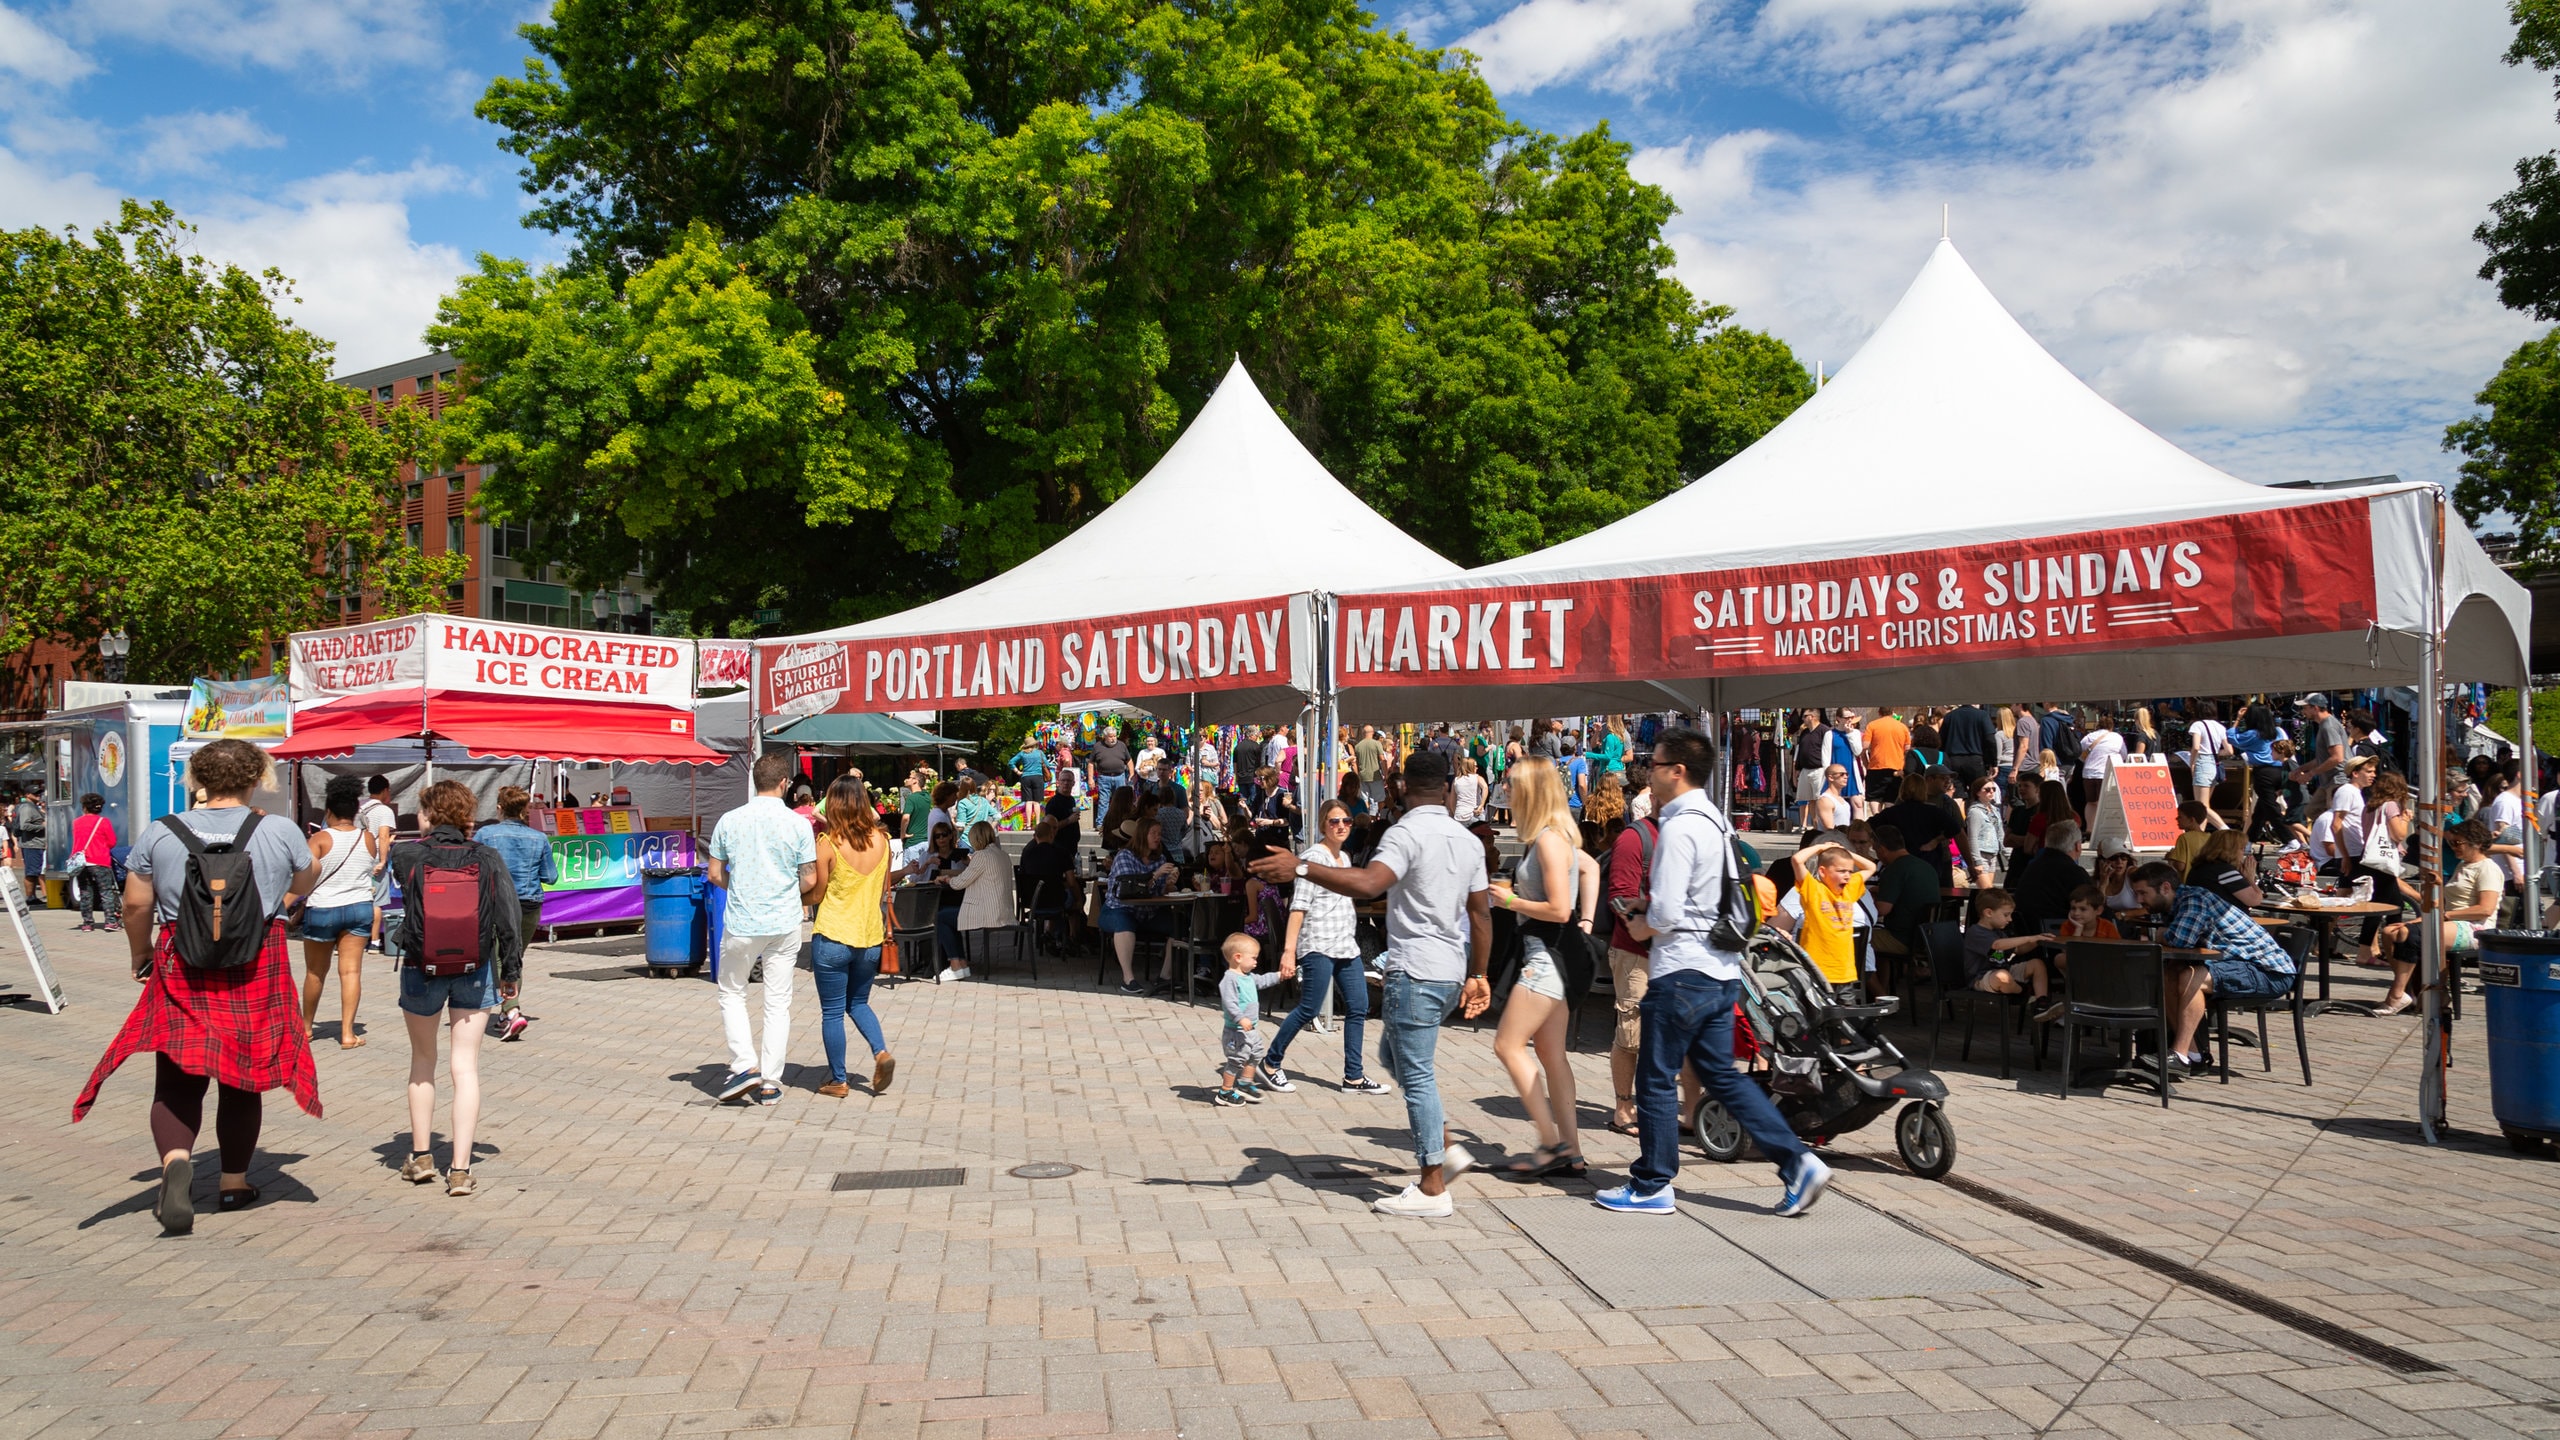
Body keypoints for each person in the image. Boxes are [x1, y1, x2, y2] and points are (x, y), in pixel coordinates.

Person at [76, 739, 320, 1235]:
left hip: (181, 961)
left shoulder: (161, 833)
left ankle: (175, 1163)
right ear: (258, 778)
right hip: (258, 963)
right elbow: (307, 879)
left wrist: (139, 953)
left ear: (197, 779)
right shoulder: (278, 829)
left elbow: (135, 905)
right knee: (242, 1077)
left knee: (177, 1078)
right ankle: (233, 1182)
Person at [1592, 727, 1827, 1218]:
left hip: (1681, 973)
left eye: (1654, 765)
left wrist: (1640, 918)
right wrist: (1652, 904)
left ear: (1676, 771)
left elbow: (1669, 912)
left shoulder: (1678, 827)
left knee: (1655, 1079)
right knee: (1723, 1076)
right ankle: (1797, 1160)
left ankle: (1652, 1183)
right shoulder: (1715, 820)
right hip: (1719, 971)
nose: (1647, 773)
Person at [1249, 750, 1491, 1219]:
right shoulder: (1466, 840)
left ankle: (1433, 1186)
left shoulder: (1404, 833)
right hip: (1449, 971)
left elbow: (1368, 884)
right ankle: (1444, 1146)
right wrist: (1479, 974)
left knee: (1416, 1073)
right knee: (1393, 1056)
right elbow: (1480, 914)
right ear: (1446, 789)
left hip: (1416, 971)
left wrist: (1302, 867)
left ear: (1401, 790)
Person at [385, 780, 524, 1198]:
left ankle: (422, 1157)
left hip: (420, 966)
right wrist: (511, 971)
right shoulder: (487, 857)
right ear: (468, 815)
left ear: (428, 814)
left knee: (422, 1061)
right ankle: (461, 1169)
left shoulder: (406, 854)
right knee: (465, 1068)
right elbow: (508, 918)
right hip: (475, 967)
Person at [1486, 759, 1590, 1179]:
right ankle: (1573, 1152)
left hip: (1547, 957)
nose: (1505, 791)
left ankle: (1551, 1144)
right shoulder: (1548, 837)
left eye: (1511, 785)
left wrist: (1511, 902)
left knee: (1508, 1045)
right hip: (1552, 957)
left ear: (1531, 790)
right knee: (1551, 1054)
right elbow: (1590, 869)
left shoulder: (1548, 840)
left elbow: (1560, 909)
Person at [706, 753, 820, 1105]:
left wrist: (741, 887)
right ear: (785, 784)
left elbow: (714, 873)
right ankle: (771, 1080)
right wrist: (783, 890)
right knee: (777, 1001)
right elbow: (810, 878)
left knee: (732, 991)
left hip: (742, 920)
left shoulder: (729, 820)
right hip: (784, 922)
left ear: (755, 781)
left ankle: (744, 1064)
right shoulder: (799, 825)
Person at [1265, 799, 1386, 1094]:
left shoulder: (1344, 859)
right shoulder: (1311, 859)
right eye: (1334, 821)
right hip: (1318, 943)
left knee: (1359, 1005)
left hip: (1345, 944)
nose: (1342, 826)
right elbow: (1298, 907)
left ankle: (1353, 1077)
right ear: (1323, 825)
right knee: (1308, 1008)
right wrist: (1289, 952)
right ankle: (1270, 1063)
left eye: (1346, 821)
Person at [2133, 860, 2298, 1074]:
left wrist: (2161, 934)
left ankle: (2181, 1054)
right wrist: (2164, 934)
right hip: (2239, 964)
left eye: (2142, 893)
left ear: (2165, 887)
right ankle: (2191, 1056)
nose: (2138, 900)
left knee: (2192, 977)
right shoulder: (2175, 903)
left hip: (2268, 971)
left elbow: (2181, 940)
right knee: (2169, 975)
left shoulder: (2194, 899)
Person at [809, 774, 895, 1098]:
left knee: (832, 1012)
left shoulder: (827, 843)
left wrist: (797, 897)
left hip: (833, 935)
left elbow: (817, 895)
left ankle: (838, 1080)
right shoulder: (883, 841)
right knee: (858, 1003)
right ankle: (881, 1052)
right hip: (870, 937)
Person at [294, 775, 381, 1047]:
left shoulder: (319, 839)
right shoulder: (368, 839)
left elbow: (303, 877)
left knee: (315, 972)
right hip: (358, 908)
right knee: (351, 972)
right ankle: (347, 1034)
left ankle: (306, 1028)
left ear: (328, 811)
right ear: (355, 812)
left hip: (323, 909)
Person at [473, 785, 554, 1042]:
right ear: (525, 810)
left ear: (499, 808)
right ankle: (507, 1011)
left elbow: (472, 867)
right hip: (530, 903)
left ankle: (511, 1010)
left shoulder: (486, 834)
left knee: (501, 959)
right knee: (514, 957)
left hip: (498, 902)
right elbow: (551, 877)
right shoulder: (539, 838)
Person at [1104, 816, 1181, 994]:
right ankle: (1128, 978)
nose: (1157, 837)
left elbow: (1160, 893)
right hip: (1120, 908)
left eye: (1159, 834)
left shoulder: (1159, 859)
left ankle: (1165, 976)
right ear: (1141, 836)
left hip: (1147, 912)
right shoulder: (1125, 856)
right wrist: (1155, 875)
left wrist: (1169, 883)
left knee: (1177, 925)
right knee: (1124, 924)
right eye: (1153, 833)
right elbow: (1128, 889)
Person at [1788, 840, 1876, 987]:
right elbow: (1797, 860)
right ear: (1822, 872)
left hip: (1845, 973)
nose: (1847, 876)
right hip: (1817, 972)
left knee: (1845, 1009)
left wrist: (1843, 852)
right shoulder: (1814, 890)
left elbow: (1870, 867)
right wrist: (1820, 848)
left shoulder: (1849, 890)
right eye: (1841, 871)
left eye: (1850, 871)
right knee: (1821, 1010)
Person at [1963, 888, 2056, 1022]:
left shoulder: (1998, 932)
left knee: (2037, 964)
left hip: (2005, 970)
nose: (2010, 919)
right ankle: (2024, 992)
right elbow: (1997, 945)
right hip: (1982, 978)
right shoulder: (1975, 932)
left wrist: (2037, 941)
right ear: (1988, 912)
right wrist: (2029, 938)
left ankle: (2041, 1004)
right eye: (2006, 915)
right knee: (2002, 977)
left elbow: (2017, 950)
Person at [945, 819, 1016, 981]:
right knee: (949, 917)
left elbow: (959, 883)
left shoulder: (981, 856)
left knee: (941, 917)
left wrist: (947, 879)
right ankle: (961, 962)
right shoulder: (1001, 854)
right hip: (1003, 910)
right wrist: (969, 864)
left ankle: (956, 963)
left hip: (987, 912)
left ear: (976, 839)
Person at [1866, 823, 1940, 964]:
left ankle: (1875, 987)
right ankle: (1884, 984)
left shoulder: (1894, 870)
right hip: (1925, 936)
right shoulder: (1926, 867)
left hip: (1901, 938)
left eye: (1875, 850)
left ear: (1882, 849)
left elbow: (1881, 910)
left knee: (1855, 939)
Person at [2012, 820, 2088, 932]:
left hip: (2027, 929)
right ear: (2077, 846)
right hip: (2057, 933)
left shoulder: (2034, 866)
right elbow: (2093, 905)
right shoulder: (2073, 872)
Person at [359, 774, 397, 954]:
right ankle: (374, 941)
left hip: (359, 857)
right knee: (376, 901)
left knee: (359, 898)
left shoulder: (360, 809)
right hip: (375, 857)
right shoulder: (384, 811)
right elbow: (382, 836)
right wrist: (383, 860)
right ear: (385, 790)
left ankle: (357, 938)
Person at [70, 793, 119, 931]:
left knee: (85, 892)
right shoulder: (103, 822)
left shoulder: (76, 822)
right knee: (106, 892)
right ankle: (110, 922)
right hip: (99, 860)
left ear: (84, 807)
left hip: (81, 862)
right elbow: (112, 842)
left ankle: (87, 923)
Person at [1941, 702, 1997, 798]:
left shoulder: (1950, 716)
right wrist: (1993, 762)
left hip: (1954, 759)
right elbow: (1990, 740)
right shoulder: (1982, 715)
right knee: (1978, 793)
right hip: (1975, 760)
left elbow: (1941, 739)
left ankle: (1959, 811)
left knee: (1957, 794)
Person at [2188, 701, 2232, 809]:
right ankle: (2202, 827)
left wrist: (2192, 762)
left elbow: (2196, 747)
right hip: (2214, 763)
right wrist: (2216, 753)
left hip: (2202, 762)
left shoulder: (2197, 725)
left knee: (2201, 806)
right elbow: (2229, 751)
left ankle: (2222, 826)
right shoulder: (2220, 727)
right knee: (2203, 806)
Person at [1863, 707, 1911, 806]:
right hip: (1897, 768)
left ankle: (1877, 818)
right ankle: (1888, 819)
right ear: (1893, 713)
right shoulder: (1902, 727)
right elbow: (1908, 749)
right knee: (1891, 798)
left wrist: (1866, 763)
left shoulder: (1872, 725)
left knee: (1874, 797)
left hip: (1876, 766)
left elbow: (1865, 746)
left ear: (1879, 713)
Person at [1964, 777, 2008, 881]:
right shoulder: (1975, 812)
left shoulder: (1995, 811)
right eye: (1987, 789)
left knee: (1988, 893)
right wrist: (1977, 861)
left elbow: (2001, 835)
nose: (1992, 791)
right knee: (1986, 890)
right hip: (1980, 854)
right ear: (1978, 792)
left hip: (1993, 854)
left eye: (1994, 789)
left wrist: (2008, 855)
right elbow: (1972, 838)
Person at [1090, 726, 1133, 817]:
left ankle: (1120, 821)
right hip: (1104, 777)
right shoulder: (1098, 746)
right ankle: (1101, 823)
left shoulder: (1122, 745)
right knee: (1103, 801)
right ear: (1105, 737)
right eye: (1110, 736)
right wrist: (1090, 778)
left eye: (1114, 736)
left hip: (1119, 777)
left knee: (1120, 801)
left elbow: (1129, 760)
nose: (1113, 738)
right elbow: (1091, 763)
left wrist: (1131, 773)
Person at [2164, 802, 2215, 877]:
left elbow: (2180, 866)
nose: (2177, 819)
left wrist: (2170, 857)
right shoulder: (2211, 837)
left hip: (2189, 883)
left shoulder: (2184, 838)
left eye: (2180, 817)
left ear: (2191, 820)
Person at [1812, 763, 1852, 831]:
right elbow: (1830, 828)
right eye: (1842, 774)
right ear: (1831, 777)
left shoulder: (1843, 801)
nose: (1845, 777)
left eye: (1846, 774)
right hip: (1831, 840)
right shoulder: (1825, 800)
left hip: (1844, 839)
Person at [1452, 757, 1488, 825]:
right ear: (1470, 767)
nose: (1477, 768)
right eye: (1475, 766)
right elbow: (1485, 787)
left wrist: (1456, 812)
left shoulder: (1456, 780)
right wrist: (1481, 805)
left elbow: (1452, 801)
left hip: (1459, 815)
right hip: (1474, 813)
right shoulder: (1477, 778)